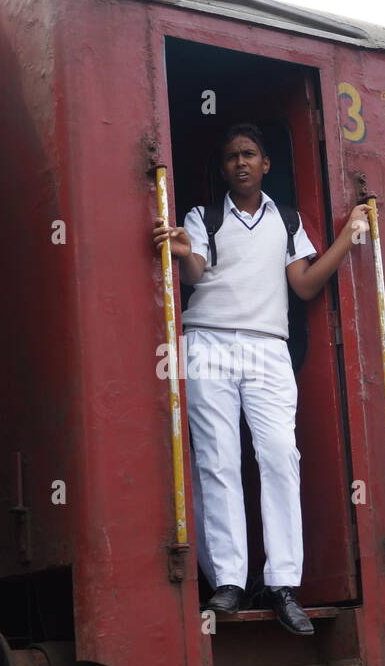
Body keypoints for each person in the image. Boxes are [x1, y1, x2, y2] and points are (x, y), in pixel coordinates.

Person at [151, 123, 369, 635]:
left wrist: (346, 238)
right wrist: (182, 251)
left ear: (265, 164)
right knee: (217, 458)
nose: (241, 163)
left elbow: (307, 285)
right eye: (231, 157)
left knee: (279, 457)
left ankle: (282, 583)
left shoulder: (288, 220)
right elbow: (195, 274)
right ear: (223, 168)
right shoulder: (201, 215)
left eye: (249, 154)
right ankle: (228, 579)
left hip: (269, 348)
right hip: (207, 342)